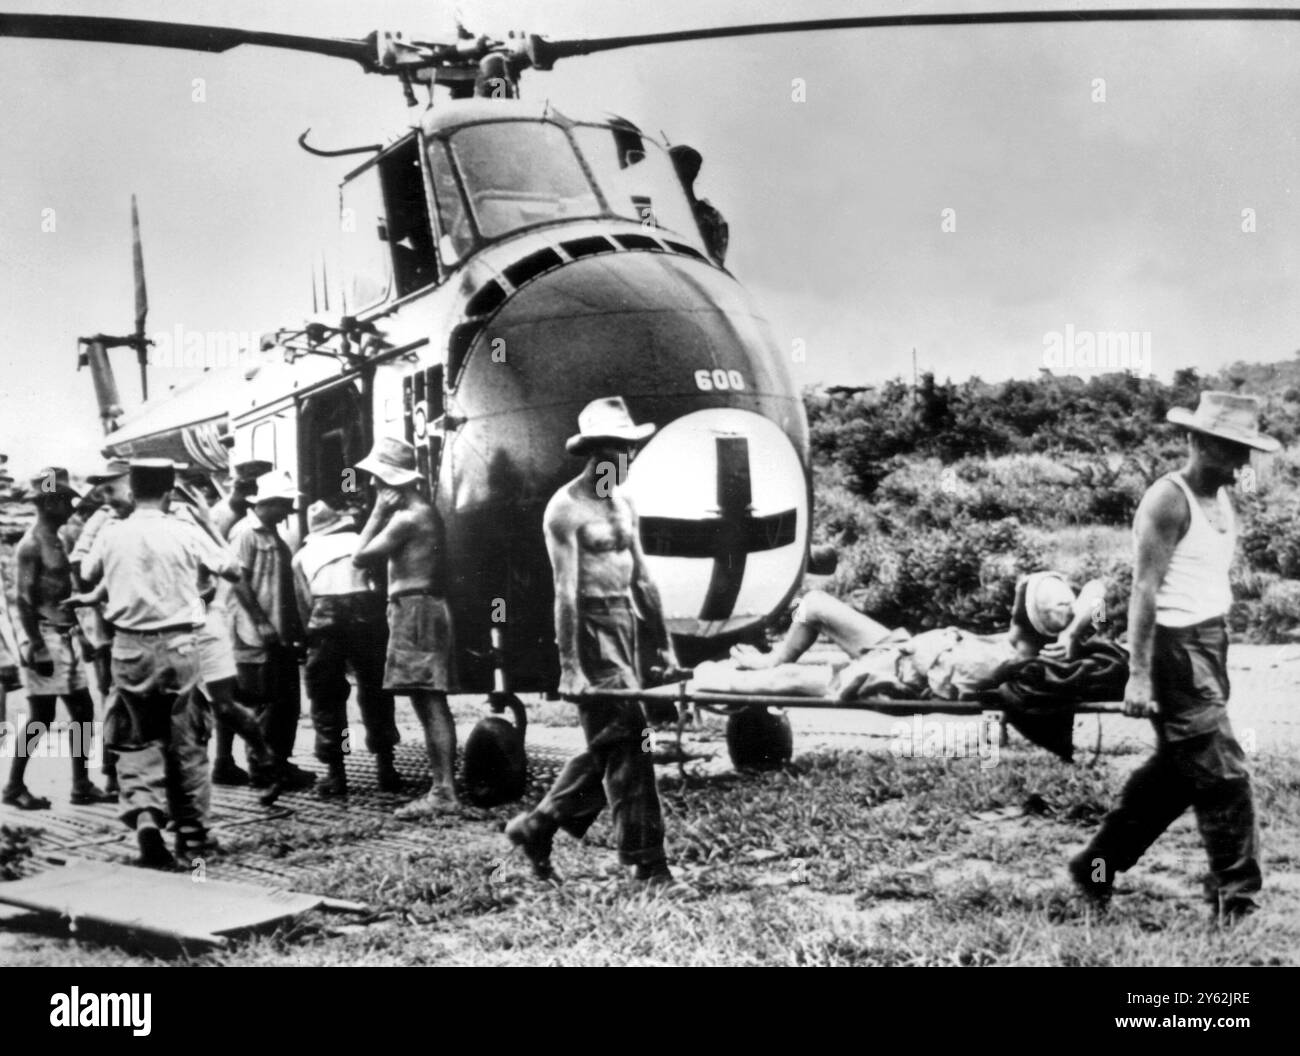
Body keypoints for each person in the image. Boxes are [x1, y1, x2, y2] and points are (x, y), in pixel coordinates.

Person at [1069, 391, 1274, 925]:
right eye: (1228, 451)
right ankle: (1238, 904)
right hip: (1173, 651)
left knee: (1176, 777)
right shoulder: (1168, 499)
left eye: (1243, 452)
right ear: (1197, 441)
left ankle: (1094, 868)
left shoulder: (1222, 499)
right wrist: (1138, 674)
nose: (1238, 465)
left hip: (1211, 643)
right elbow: (1144, 589)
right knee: (1226, 776)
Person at [506, 397, 680, 886]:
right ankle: (649, 863)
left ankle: (538, 825)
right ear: (595, 452)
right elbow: (565, 592)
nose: (626, 459)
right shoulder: (565, 509)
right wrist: (570, 666)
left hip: (625, 624)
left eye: (631, 449)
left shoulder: (624, 503)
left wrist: (664, 646)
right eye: (618, 450)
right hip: (591, 628)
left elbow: (643, 578)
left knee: (614, 740)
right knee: (632, 740)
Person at [79, 459, 242, 867]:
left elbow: (85, 571)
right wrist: (205, 522)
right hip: (180, 645)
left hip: (129, 647)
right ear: (170, 493)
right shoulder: (184, 530)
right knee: (186, 740)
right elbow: (233, 569)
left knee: (135, 738)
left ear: (132, 492)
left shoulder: (113, 532)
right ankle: (193, 837)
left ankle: (147, 820)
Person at [352, 438, 458, 817]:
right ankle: (442, 788)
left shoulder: (406, 517)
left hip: (415, 609)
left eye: (376, 481)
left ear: (388, 482)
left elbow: (360, 556)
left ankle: (444, 791)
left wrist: (378, 513)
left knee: (429, 700)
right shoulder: (422, 512)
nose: (371, 488)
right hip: (418, 606)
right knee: (426, 698)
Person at [3, 468, 113, 809]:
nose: (70, 507)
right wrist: (36, 645)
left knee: (83, 711)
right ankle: (13, 785)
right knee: (41, 717)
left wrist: (82, 638)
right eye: (64, 501)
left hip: (64, 636)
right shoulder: (32, 545)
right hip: (44, 636)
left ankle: (81, 783)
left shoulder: (58, 539)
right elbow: (22, 599)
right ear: (49, 503)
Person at [168, 479, 284, 800]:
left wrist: (207, 526)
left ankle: (264, 758)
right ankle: (188, 787)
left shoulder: (196, 533)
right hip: (173, 631)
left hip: (202, 626)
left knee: (224, 705)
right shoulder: (148, 533)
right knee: (182, 710)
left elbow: (230, 571)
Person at [294, 499, 400, 797]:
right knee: (375, 691)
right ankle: (386, 766)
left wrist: (309, 636)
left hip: (325, 621)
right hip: (366, 616)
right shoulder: (357, 541)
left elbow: (305, 604)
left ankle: (337, 774)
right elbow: (380, 585)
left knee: (328, 699)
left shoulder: (302, 556)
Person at [228, 470, 312, 790]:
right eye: (285, 504)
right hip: (255, 633)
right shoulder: (246, 534)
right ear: (269, 503)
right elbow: (238, 581)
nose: (289, 511)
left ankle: (280, 762)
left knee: (284, 701)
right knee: (262, 701)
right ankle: (262, 767)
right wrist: (260, 620)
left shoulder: (274, 536)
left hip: (278, 632)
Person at [69, 458, 135, 794]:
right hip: (111, 626)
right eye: (103, 487)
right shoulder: (102, 518)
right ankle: (112, 773)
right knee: (115, 697)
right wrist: (99, 600)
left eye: (112, 485)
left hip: (143, 623)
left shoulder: (147, 513)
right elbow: (80, 563)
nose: (106, 493)